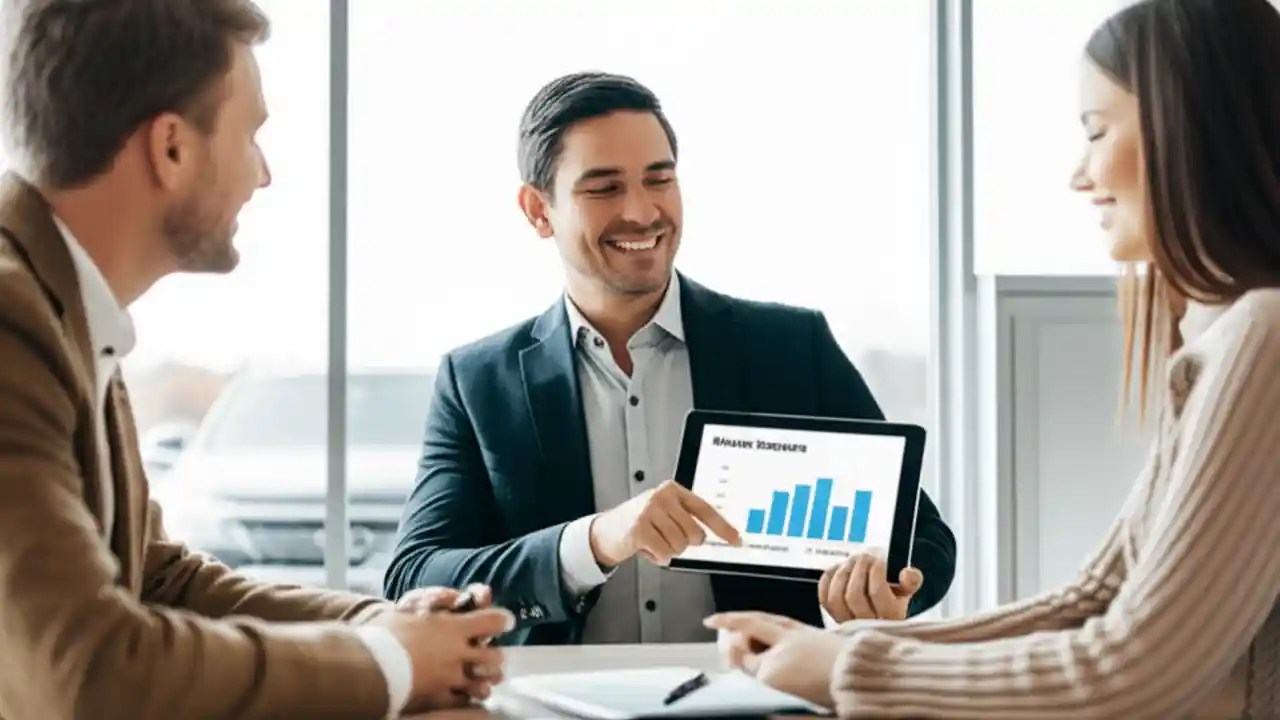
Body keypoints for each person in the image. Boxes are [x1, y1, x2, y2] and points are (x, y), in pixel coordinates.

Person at [705, 0, 1280, 716]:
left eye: (1096, 132)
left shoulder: (1264, 334)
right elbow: (1092, 599)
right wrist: (848, 648)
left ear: (1189, 132)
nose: (1079, 175)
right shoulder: (1223, 338)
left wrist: (855, 667)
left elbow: (1138, 668)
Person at [0, 2, 511, 719]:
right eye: (251, 136)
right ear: (171, 148)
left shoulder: (67, 313)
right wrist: (392, 662)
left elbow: (157, 579)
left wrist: (378, 626)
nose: (263, 175)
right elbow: (89, 671)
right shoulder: (11, 319)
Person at [383, 71, 956, 646]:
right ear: (538, 210)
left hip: (758, 701)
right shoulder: (478, 382)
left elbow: (924, 539)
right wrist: (595, 541)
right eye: (603, 188)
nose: (642, 211)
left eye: (659, 179)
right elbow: (414, 576)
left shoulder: (791, 347)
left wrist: (885, 585)